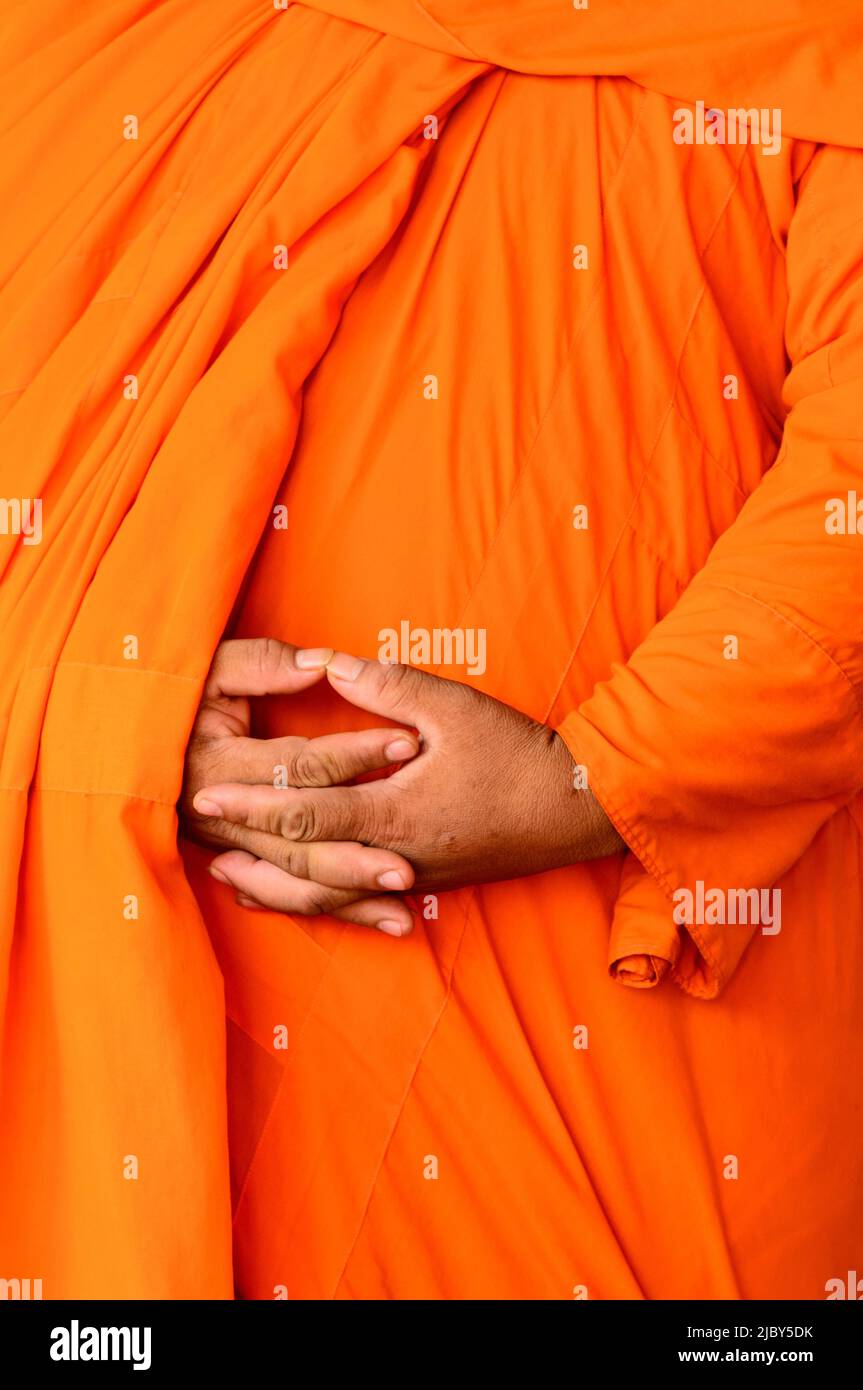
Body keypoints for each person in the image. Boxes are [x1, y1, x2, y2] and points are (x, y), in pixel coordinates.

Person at [1, 0, 861, 1299]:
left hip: (632, 1009)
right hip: (163, 980)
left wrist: (599, 779)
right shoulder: (88, 32)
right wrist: (113, 700)